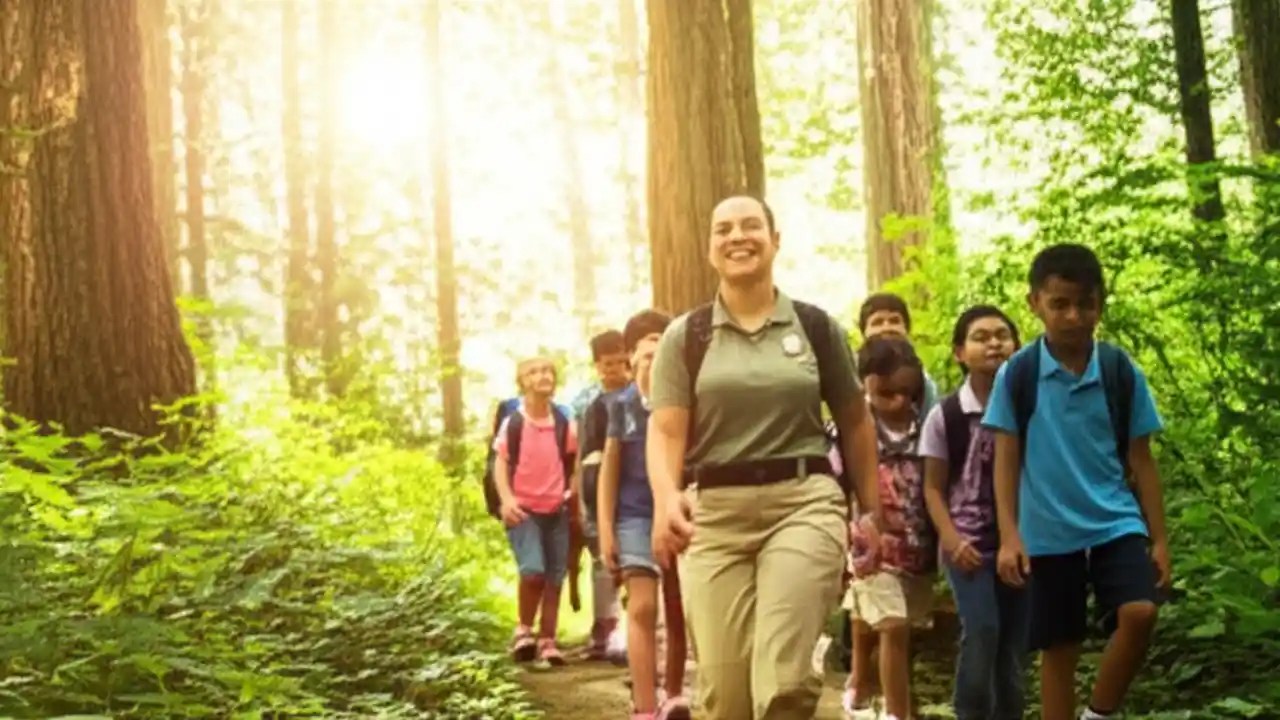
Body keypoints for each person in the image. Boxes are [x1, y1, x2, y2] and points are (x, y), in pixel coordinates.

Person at [647, 194, 883, 720]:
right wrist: (666, 498)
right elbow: (665, 432)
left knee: (781, 685)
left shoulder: (816, 328)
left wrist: (870, 512)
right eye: (723, 229)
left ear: (775, 241)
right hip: (713, 516)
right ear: (710, 249)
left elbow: (856, 422)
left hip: (803, 502)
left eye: (751, 225)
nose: (737, 237)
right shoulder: (686, 337)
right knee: (726, 700)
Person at [983, 243, 1170, 720]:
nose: (1073, 316)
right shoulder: (1018, 373)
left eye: (1085, 303)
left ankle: (1099, 713)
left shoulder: (1118, 370)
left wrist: (1161, 539)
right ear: (1035, 304)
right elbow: (1005, 459)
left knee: (1140, 612)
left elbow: (1141, 459)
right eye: (1059, 304)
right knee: (1059, 648)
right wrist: (1010, 535)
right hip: (1047, 531)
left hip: (1116, 521)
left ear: (1100, 304)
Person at [920, 305, 1027, 720]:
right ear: (959, 352)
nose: (994, 343)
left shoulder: (1028, 406)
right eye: (981, 337)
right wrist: (950, 539)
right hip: (967, 542)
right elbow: (932, 486)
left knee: (1013, 647)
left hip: (1020, 541)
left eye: (1002, 335)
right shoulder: (945, 415)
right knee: (982, 630)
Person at [600, 310, 691, 720]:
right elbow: (609, 472)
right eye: (645, 353)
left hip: (673, 511)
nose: (653, 361)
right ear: (631, 357)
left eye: (662, 349)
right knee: (641, 608)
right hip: (634, 517)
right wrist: (605, 530)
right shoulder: (620, 406)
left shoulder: (685, 400)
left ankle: (673, 693)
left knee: (675, 606)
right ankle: (644, 705)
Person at [843, 336, 936, 720]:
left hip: (918, 544)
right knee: (894, 626)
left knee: (903, 627)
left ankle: (868, 685)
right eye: (886, 393)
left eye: (906, 393)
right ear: (865, 383)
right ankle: (899, 714)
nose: (897, 402)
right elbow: (835, 479)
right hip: (872, 547)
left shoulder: (929, 425)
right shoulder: (852, 427)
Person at [493, 356, 579, 666]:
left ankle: (548, 639)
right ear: (523, 381)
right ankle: (524, 630)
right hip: (524, 511)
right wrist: (506, 500)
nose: (542, 376)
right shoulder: (513, 422)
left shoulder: (564, 420)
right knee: (533, 572)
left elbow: (574, 460)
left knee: (555, 576)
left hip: (556, 510)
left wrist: (571, 491)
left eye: (547, 371)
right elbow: (500, 463)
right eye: (534, 372)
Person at [572, 330, 631, 661]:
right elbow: (583, 453)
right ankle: (604, 628)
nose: (614, 370)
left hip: (632, 488)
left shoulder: (638, 399)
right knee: (602, 557)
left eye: (620, 362)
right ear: (597, 366)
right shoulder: (590, 405)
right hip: (598, 489)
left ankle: (631, 631)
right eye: (607, 364)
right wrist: (581, 497)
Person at [858, 292, 940, 415]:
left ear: (907, 330)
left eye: (894, 321)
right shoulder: (849, 376)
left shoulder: (925, 383)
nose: (887, 328)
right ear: (864, 332)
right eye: (877, 322)